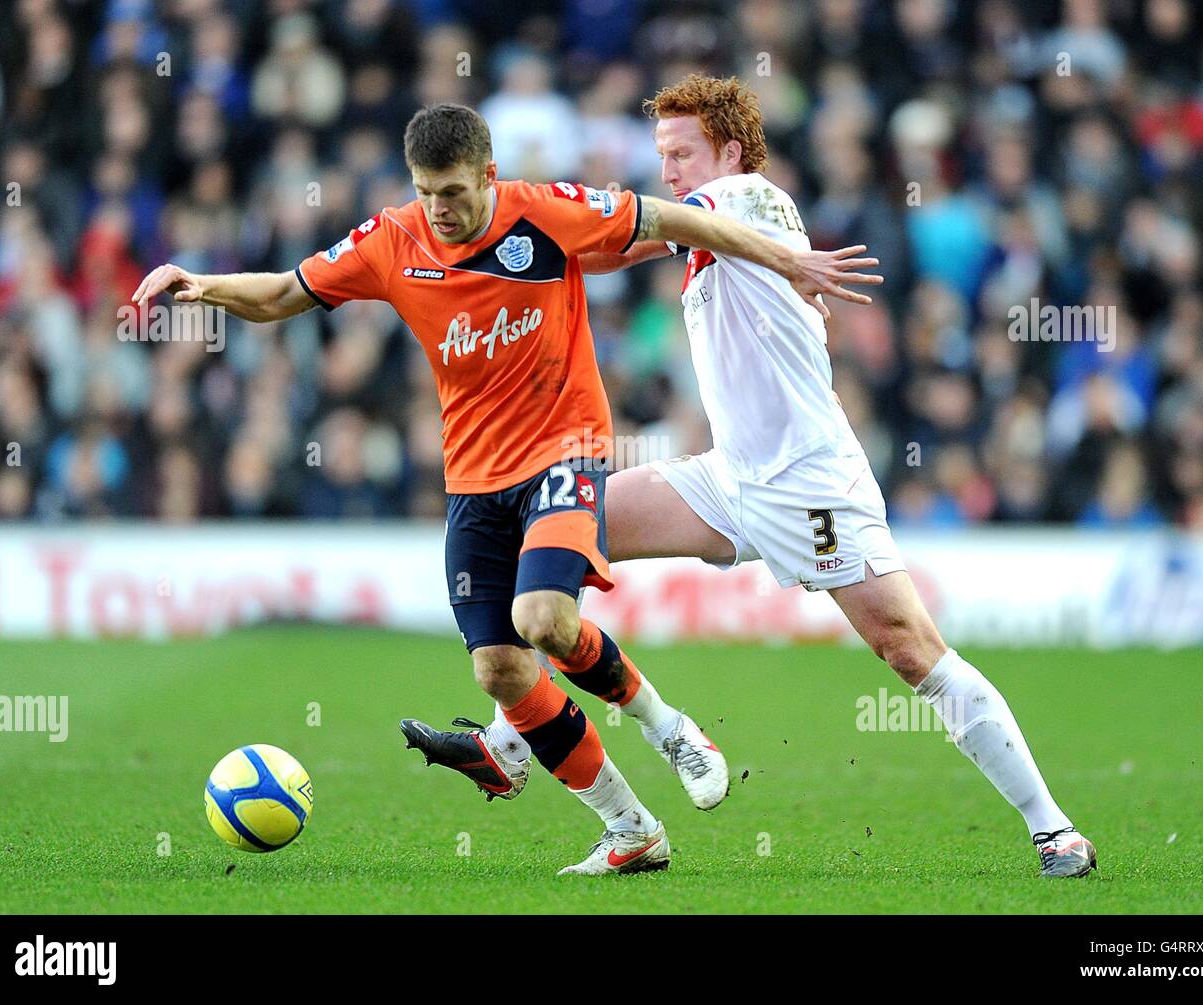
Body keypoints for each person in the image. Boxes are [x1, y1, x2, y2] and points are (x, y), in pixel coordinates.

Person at [132, 102, 883, 876]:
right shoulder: (392, 240)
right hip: (474, 479)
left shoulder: (547, 213)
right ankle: (631, 827)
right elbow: (287, 293)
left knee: (543, 618)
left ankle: (670, 728)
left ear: (489, 175)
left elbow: (672, 220)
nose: (439, 209)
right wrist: (205, 286)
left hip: (566, 450)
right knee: (500, 669)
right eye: (425, 191)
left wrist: (786, 259)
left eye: (453, 190)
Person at [421, 76, 1096, 879]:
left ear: (731, 153)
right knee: (560, 532)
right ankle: (511, 739)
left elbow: (622, 234)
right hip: (728, 477)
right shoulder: (706, 226)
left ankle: (1055, 829)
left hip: (809, 480)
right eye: (661, 155)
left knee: (908, 648)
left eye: (682, 154)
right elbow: (610, 244)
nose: (667, 170)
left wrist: (529, 215)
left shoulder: (747, 198)